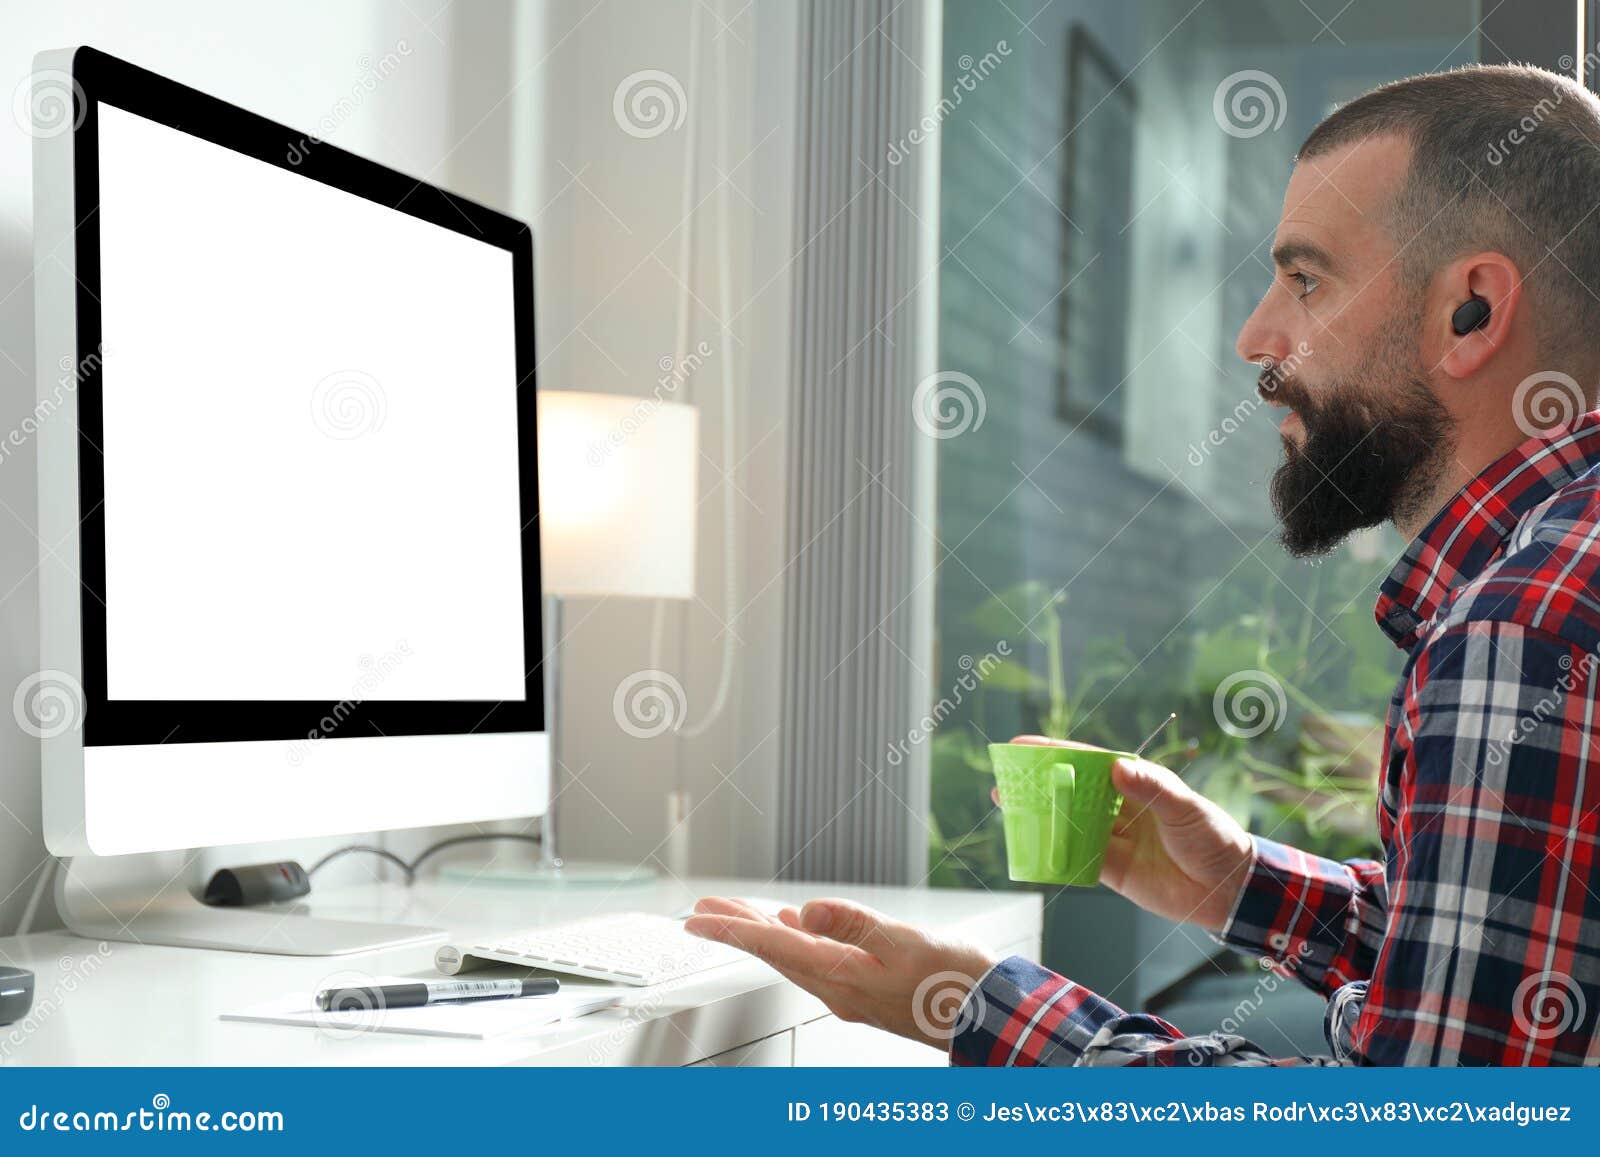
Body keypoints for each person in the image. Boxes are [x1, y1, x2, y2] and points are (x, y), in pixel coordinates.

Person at [687, 64, 1600, 1066]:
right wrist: (1238, 880)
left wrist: (971, 1003)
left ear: (1468, 309)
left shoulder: (1521, 626)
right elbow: (1504, 993)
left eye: (1304, 281)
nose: (1257, 335)